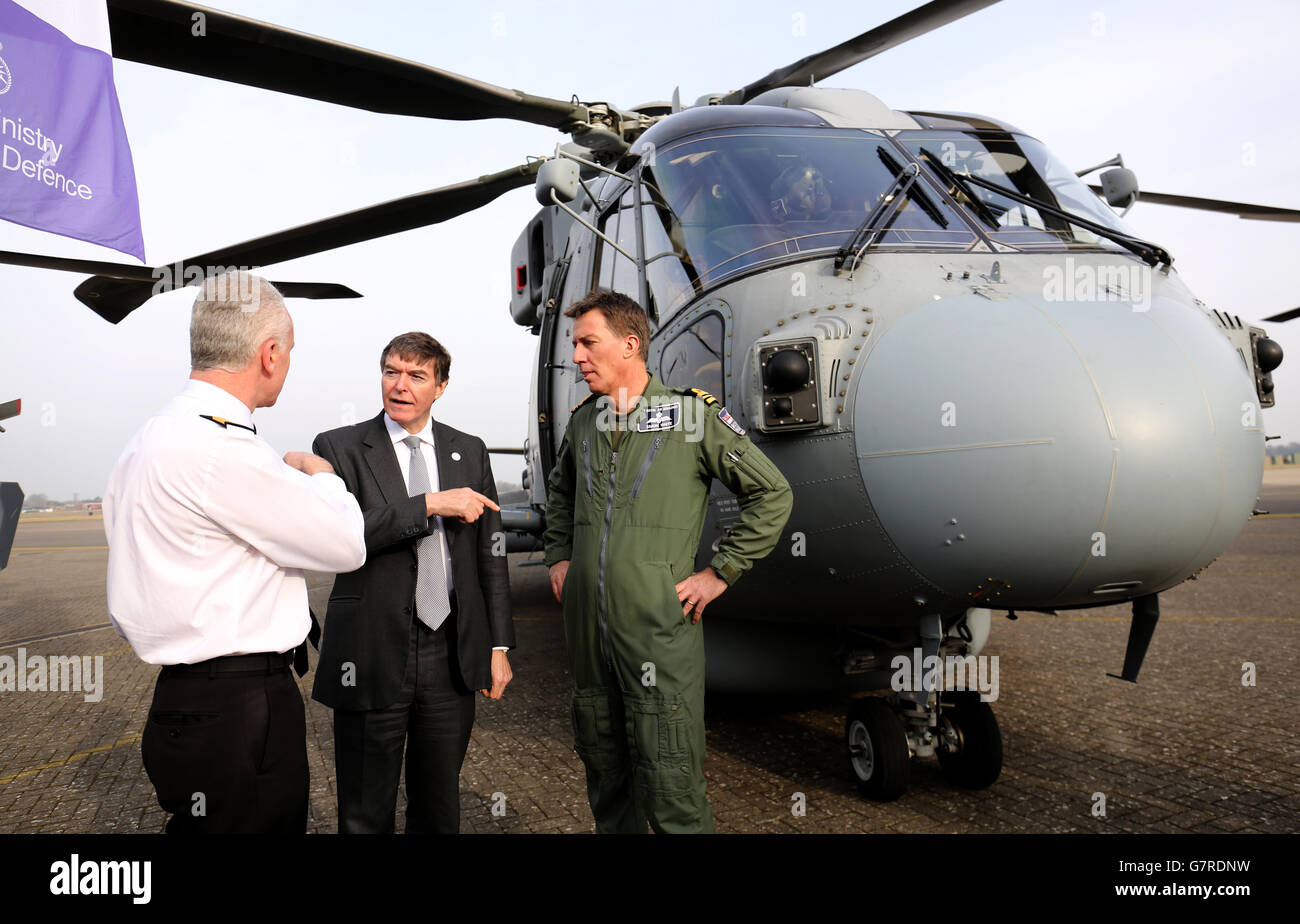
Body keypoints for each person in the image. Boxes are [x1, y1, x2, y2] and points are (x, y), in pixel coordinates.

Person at [104, 271, 367, 834]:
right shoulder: (222, 449)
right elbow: (346, 545)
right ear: (270, 354)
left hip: (181, 700)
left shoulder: (146, 442)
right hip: (241, 707)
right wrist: (324, 479)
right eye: (289, 351)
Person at [543, 290, 793, 833]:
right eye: (575, 345)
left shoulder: (690, 416)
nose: (578, 356)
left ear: (630, 345)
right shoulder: (584, 423)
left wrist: (719, 572)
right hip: (590, 640)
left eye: (589, 343)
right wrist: (560, 557)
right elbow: (561, 496)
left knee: (671, 784)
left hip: (658, 631)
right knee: (607, 781)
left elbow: (772, 493)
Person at [311, 332, 514, 834]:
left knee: (439, 805)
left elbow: (492, 557)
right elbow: (339, 535)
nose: (399, 386)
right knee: (364, 809)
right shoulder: (339, 447)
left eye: (416, 376)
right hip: (372, 653)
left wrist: (499, 645)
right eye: (391, 372)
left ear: (440, 387)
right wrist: (428, 505)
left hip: (450, 652)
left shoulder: (470, 451)